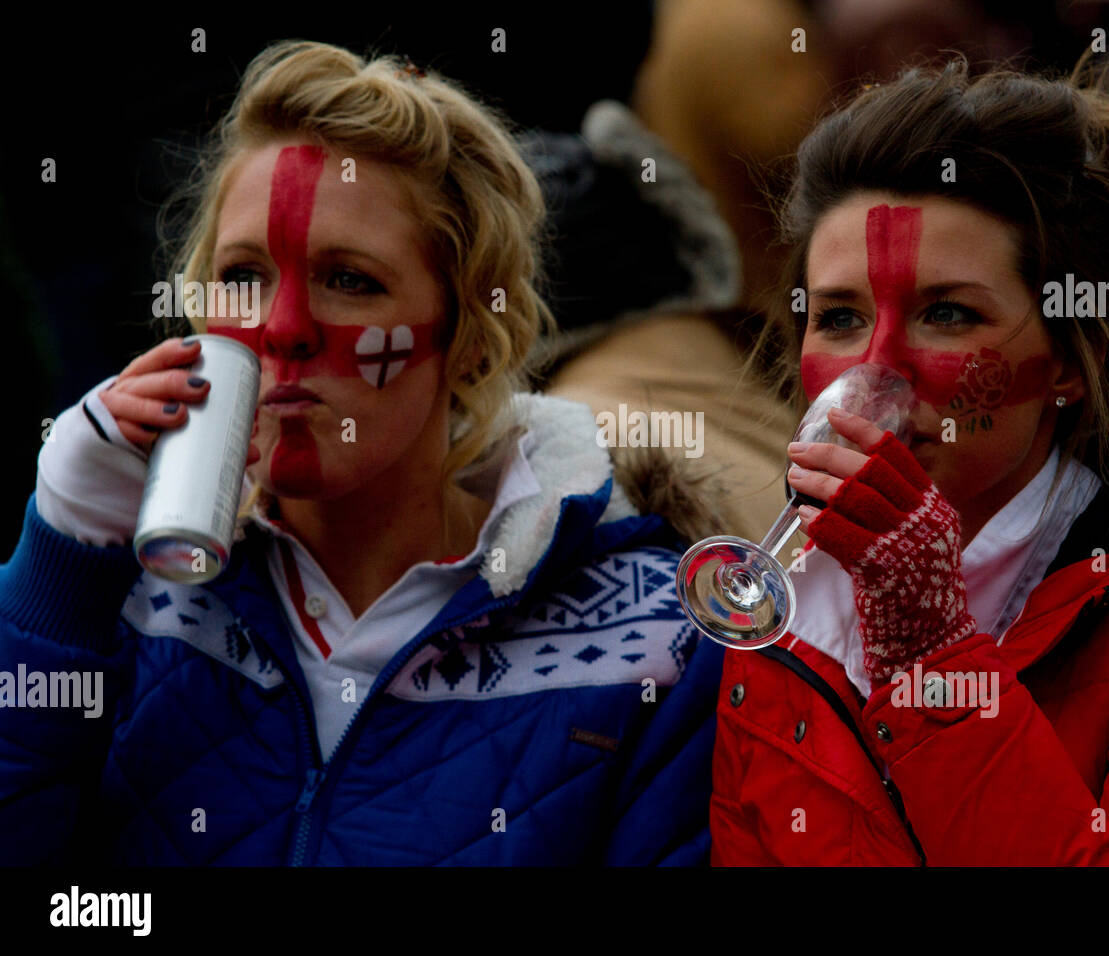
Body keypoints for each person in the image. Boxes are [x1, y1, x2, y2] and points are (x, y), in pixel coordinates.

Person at [0, 40, 721, 865]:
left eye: (350, 280)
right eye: (242, 278)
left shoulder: (658, 637)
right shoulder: (119, 603)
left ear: (471, 344)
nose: (283, 329)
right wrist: (57, 560)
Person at [709, 57, 1109, 865]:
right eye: (840, 318)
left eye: (947, 313)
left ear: (1069, 360)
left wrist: (931, 656)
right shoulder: (790, 620)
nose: (874, 373)